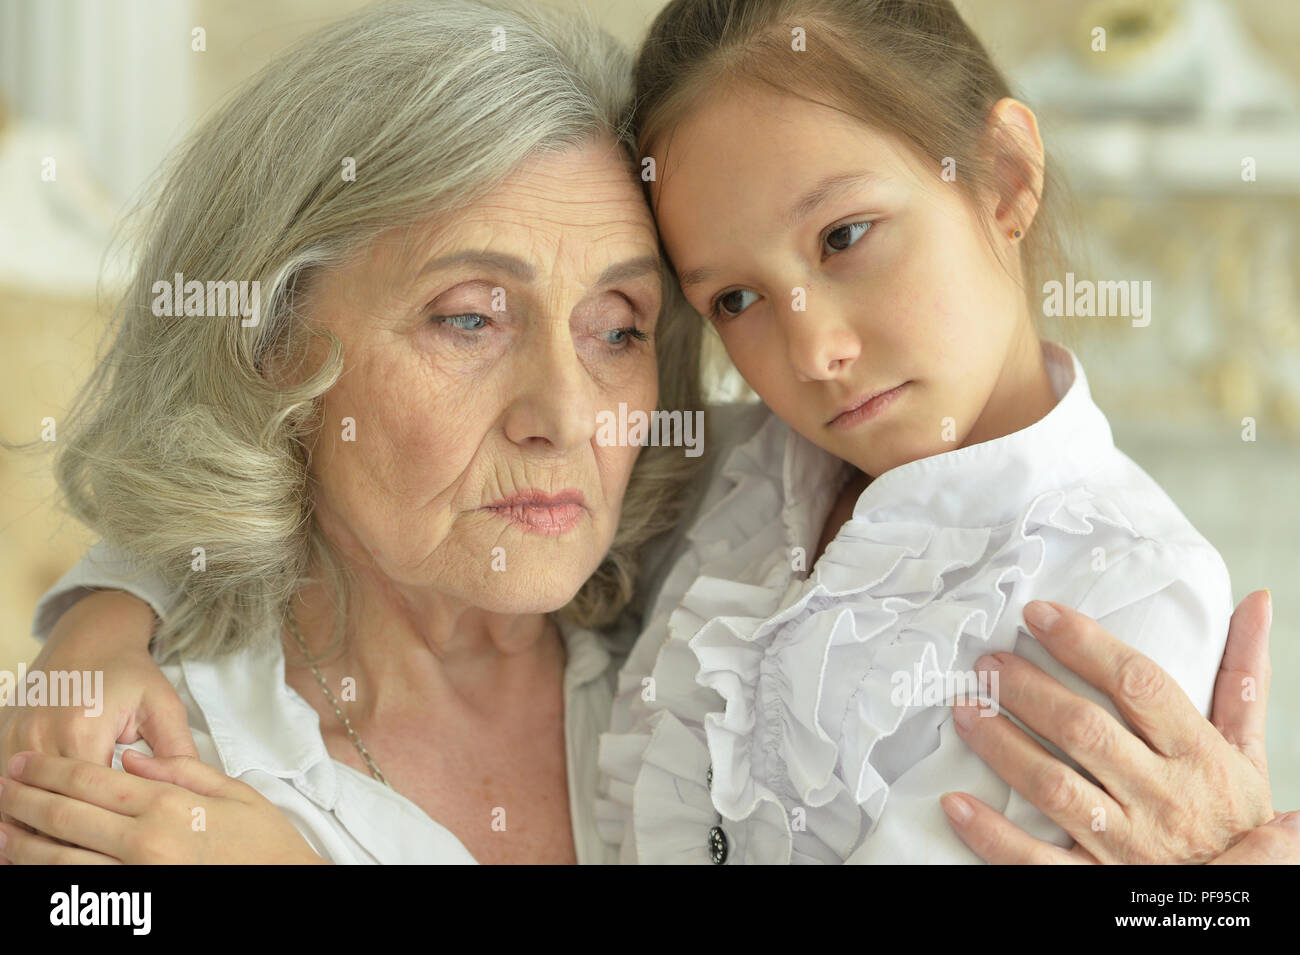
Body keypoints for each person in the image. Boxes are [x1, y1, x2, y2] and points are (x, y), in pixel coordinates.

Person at [0, 0, 1291, 865]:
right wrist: (108, 616)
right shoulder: (126, 786)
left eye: (621, 325)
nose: (571, 420)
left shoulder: (657, 555)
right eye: (468, 318)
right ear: (274, 345)